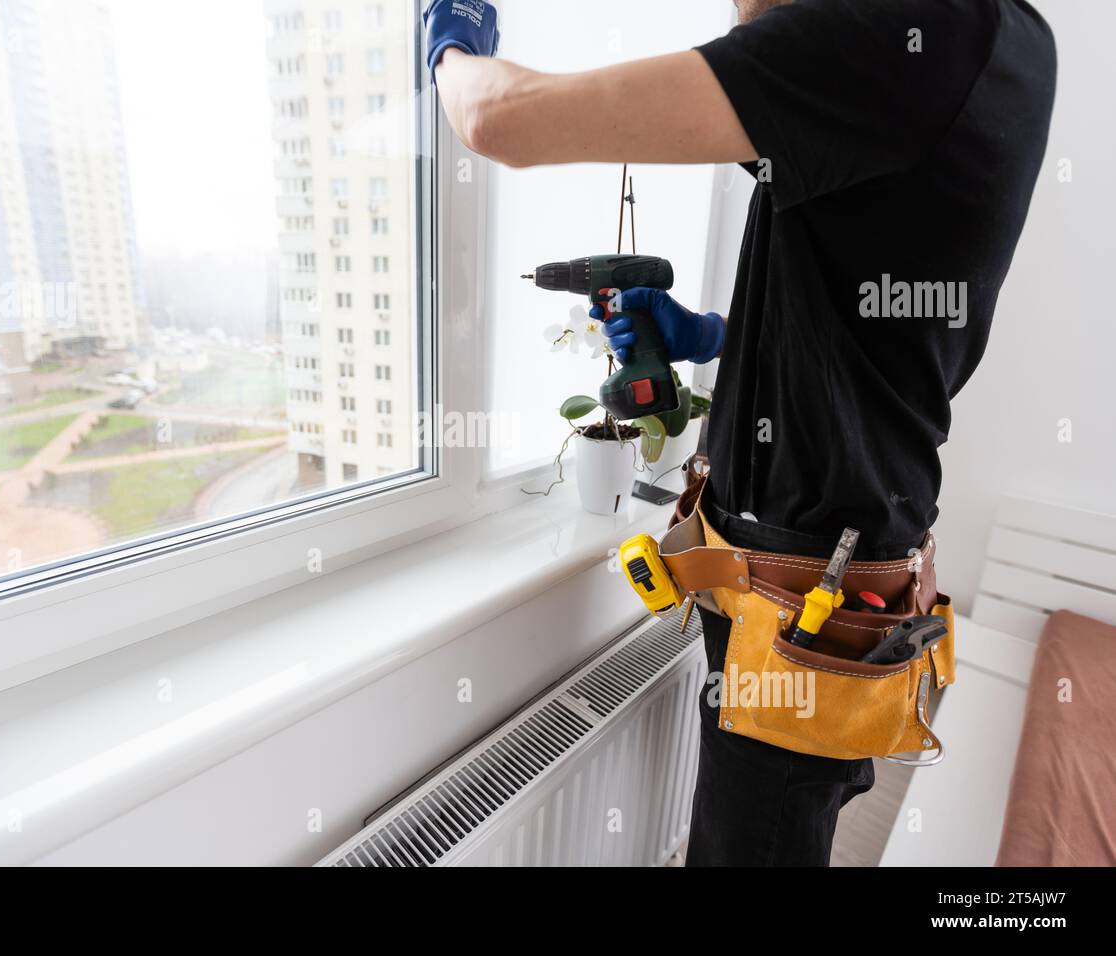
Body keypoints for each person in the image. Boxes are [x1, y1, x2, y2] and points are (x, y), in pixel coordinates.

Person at [424, 0, 1057, 865]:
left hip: (804, 609)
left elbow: (497, 117)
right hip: (839, 572)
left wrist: (450, 42)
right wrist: (716, 336)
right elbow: (875, 302)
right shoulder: (1011, 40)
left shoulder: (909, 25)